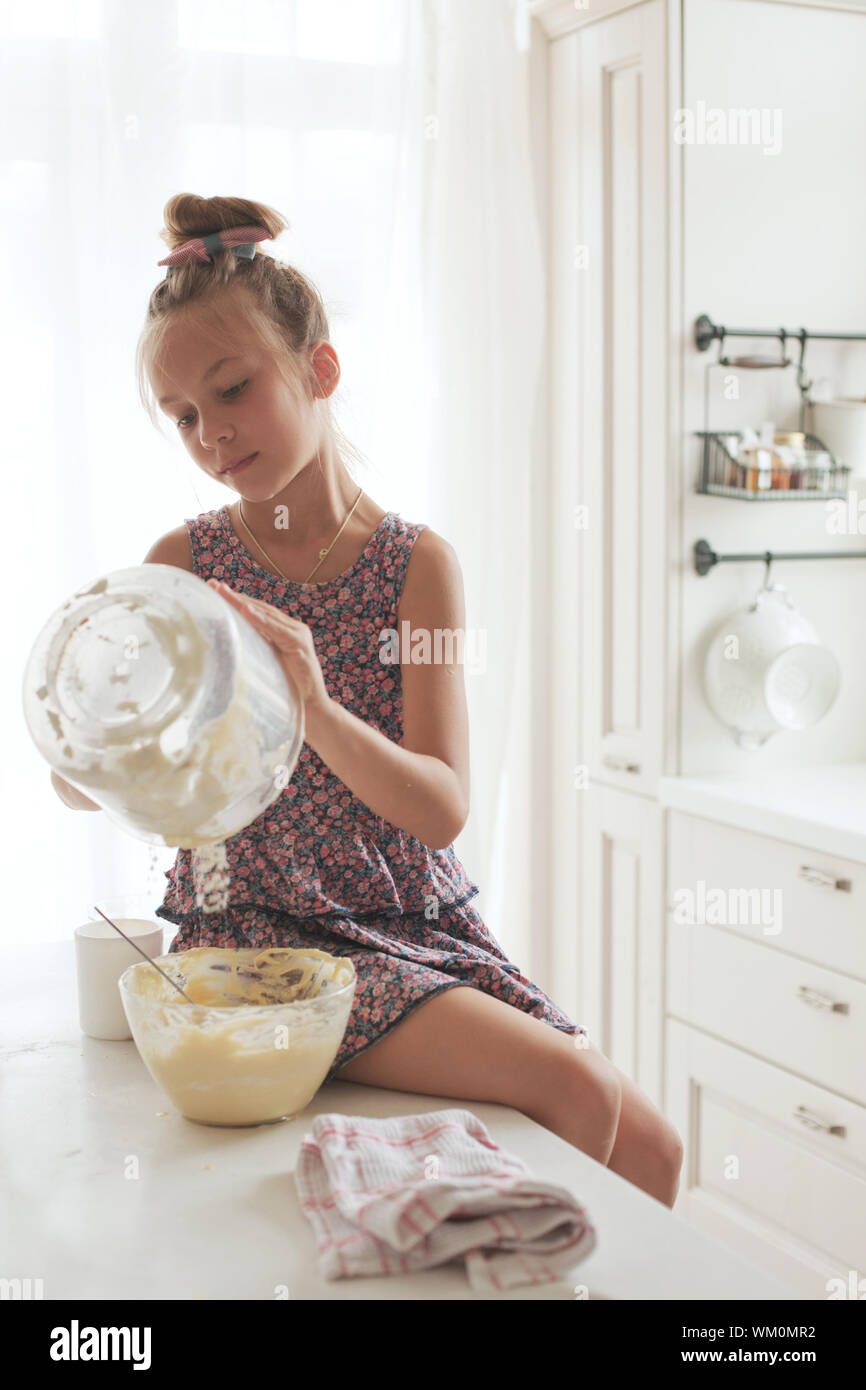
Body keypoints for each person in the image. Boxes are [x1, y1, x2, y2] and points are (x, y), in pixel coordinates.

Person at [58, 192, 682, 1209]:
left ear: (319, 369)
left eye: (232, 390)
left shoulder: (416, 567)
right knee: (574, 1088)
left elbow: (439, 806)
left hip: (417, 920)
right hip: (269, 939)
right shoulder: (185, 561)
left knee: (651, 1145)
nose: (211, 434)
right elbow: (99, 776)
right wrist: (86, 727)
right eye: (183, 417)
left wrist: (309, 696)